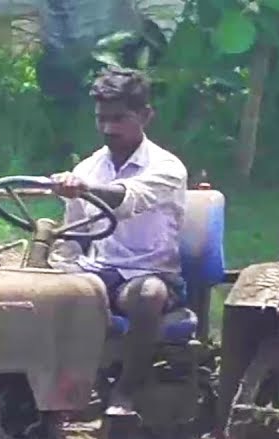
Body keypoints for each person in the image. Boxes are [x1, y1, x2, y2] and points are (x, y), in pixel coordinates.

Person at [49, 67, 188, 417]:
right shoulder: (88, 168)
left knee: (147, 296)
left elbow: (128, 199)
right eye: (102, 119)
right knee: (37, 292)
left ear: (145, 116)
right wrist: (56, 271)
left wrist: (85, 189)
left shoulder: (167, 168)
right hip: (99, 271)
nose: (109, 128)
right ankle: (55, 392)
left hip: (149, 272)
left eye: (119, 119)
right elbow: (72, 235)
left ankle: (125, 390)